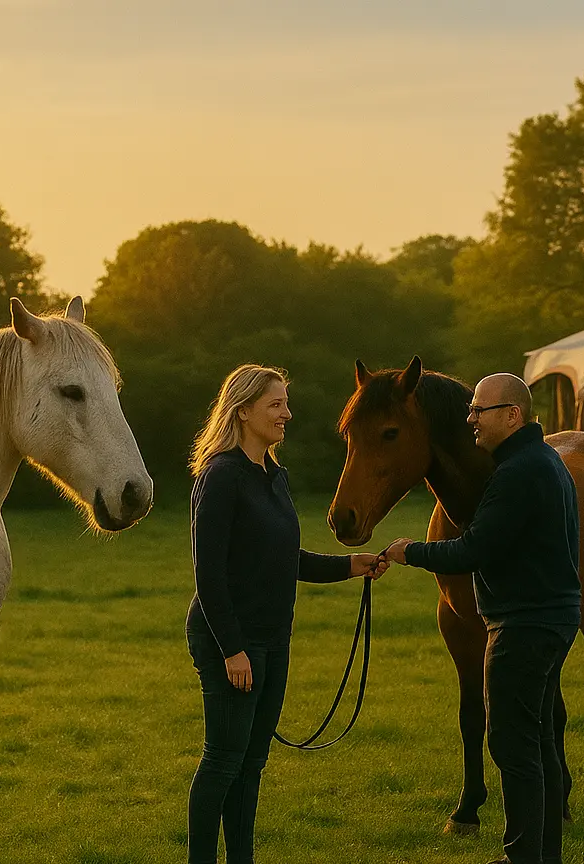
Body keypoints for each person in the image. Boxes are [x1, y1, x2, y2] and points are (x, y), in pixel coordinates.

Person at [186, 364, 386, 864]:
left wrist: (350, 566)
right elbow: (207, 575)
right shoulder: (221, 477)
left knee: (252, 764)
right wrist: (232, 649)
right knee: (223, 761)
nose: (286, 414)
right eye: (275, 404)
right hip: (229, 641)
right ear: (244, 410)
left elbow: (284, 559)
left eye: (284, 403)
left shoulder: (273, 477)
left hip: (273, 638)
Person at [383, 372, 580, 864]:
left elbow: (475, 548)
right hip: (550, 617)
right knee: (537, 745)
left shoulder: (515, 474)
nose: (470, 418)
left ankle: (522, 857)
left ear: (512, 416)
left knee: (513, 747)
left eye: (480, 410)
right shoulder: (545, 461)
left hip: (523, 624)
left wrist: (412, 552)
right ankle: (540, 854)